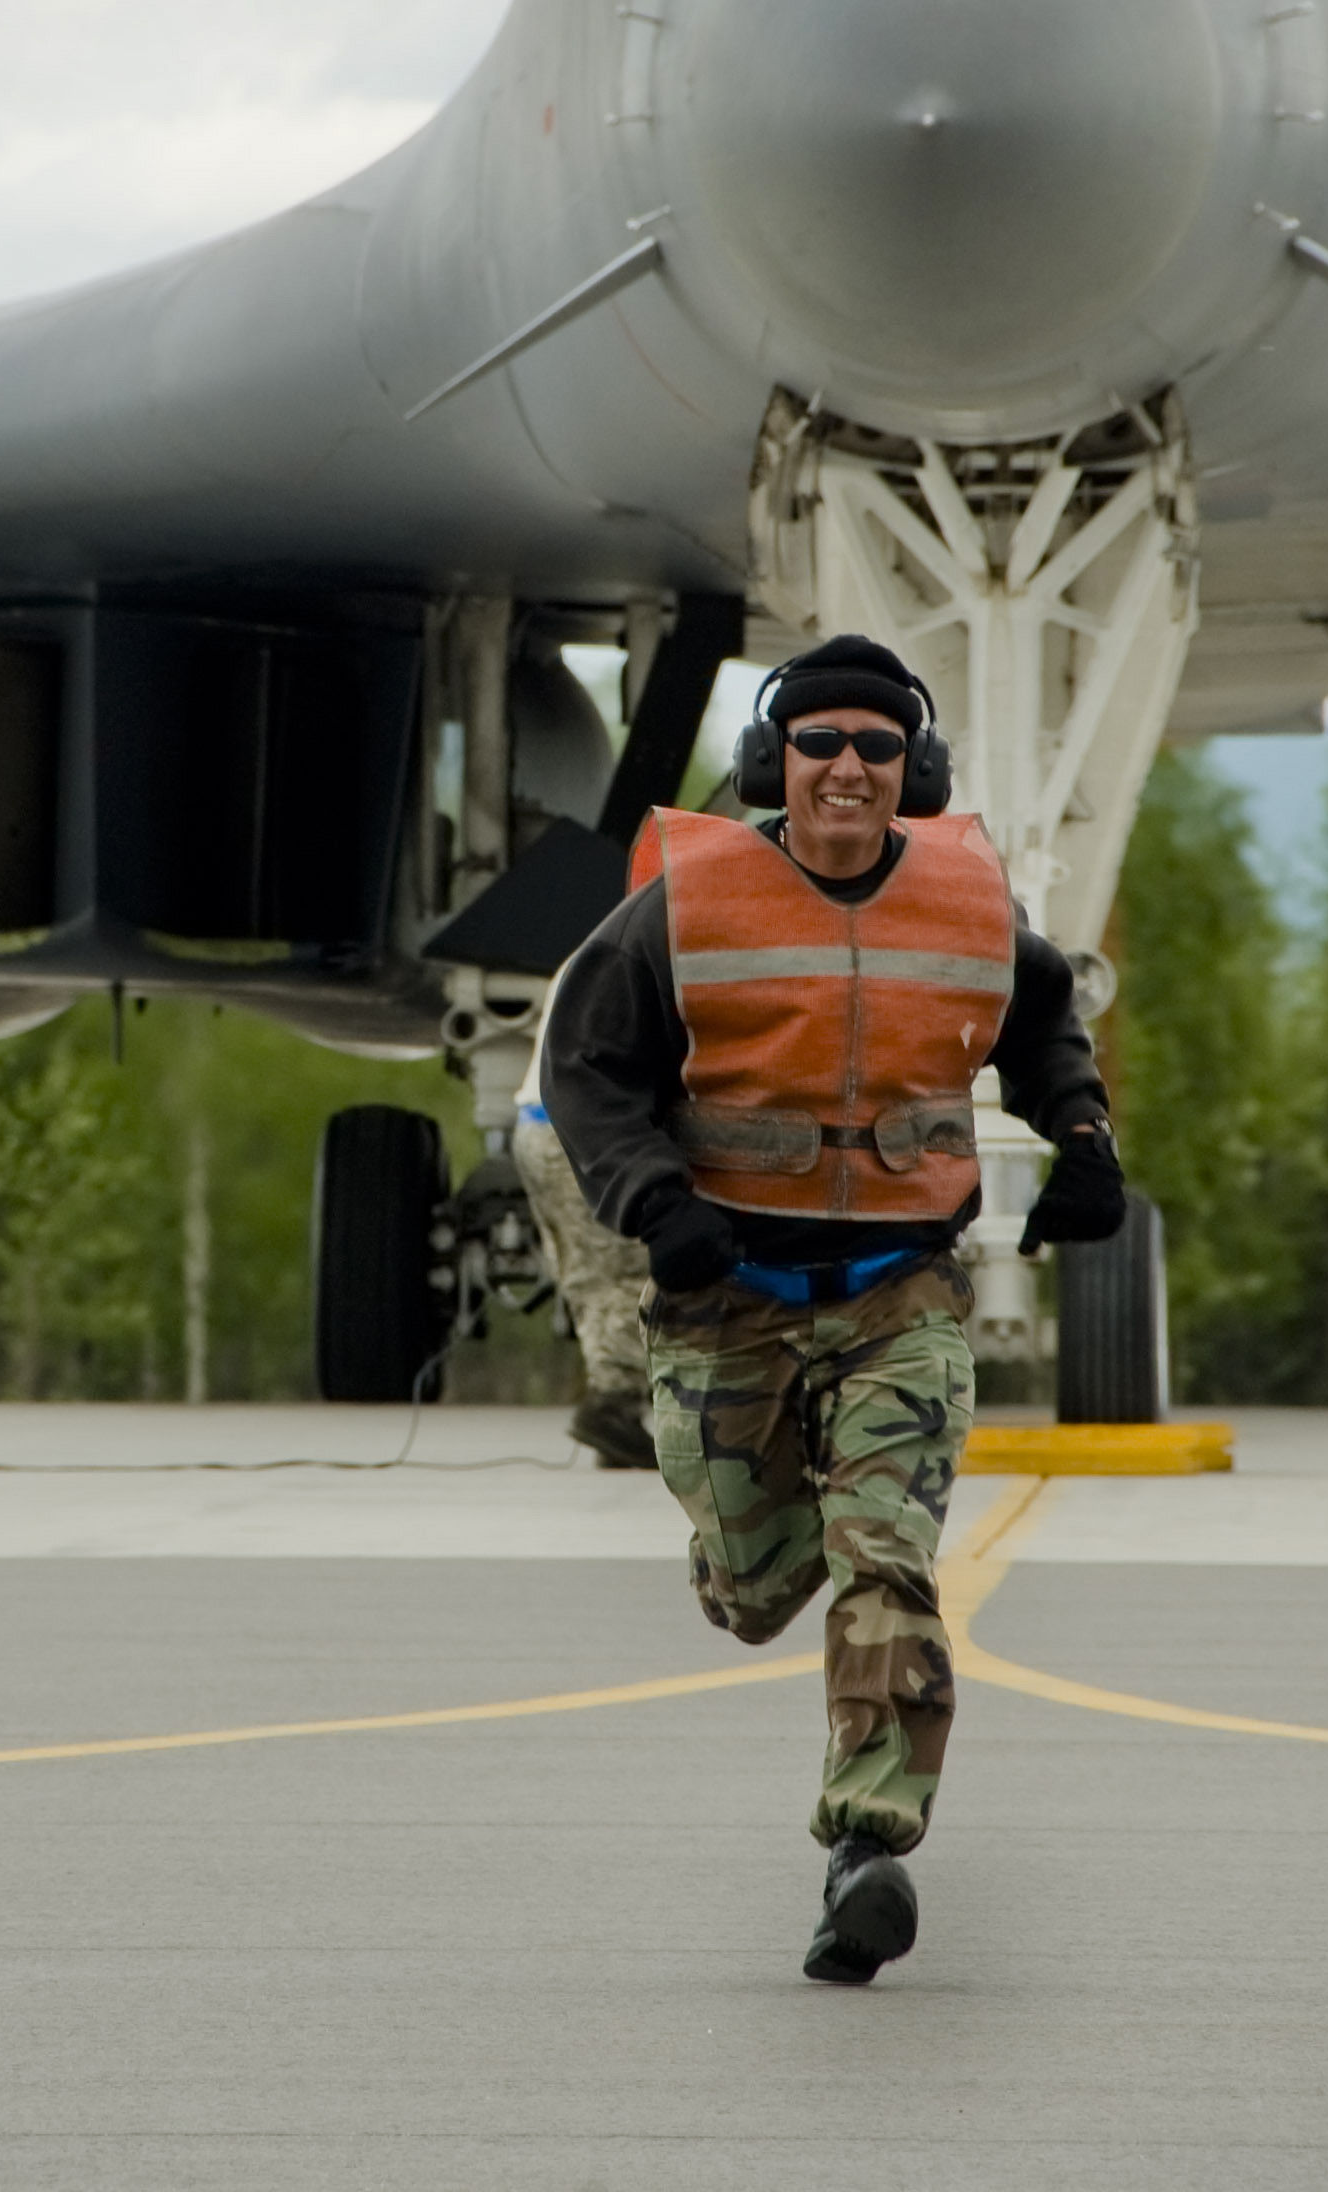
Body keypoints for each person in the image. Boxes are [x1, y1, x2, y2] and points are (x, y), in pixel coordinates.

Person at [541, 633, 1126, 1985]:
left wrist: (1084, 1136)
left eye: (876, 744)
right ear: (775, 761)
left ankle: (867, 1849)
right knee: (757, 1592)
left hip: (898, 1298)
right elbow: (588, 1067)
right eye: (821, 742)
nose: (848, 766)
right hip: (728, 1295)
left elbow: (1042, 1026)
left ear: (910, 766)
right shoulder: (688, 904)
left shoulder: (970, 904)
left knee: (888, 1559)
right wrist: (651, 1204)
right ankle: (746, 1555)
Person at [513, 977, 654, 1469]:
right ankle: (612, 1404)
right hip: (579, 1130)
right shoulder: (643, 946)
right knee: (630, 1267)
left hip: (537, 1124)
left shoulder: (594, 948)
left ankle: (621, 1406)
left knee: (588, 1275)